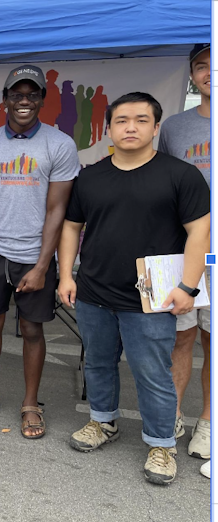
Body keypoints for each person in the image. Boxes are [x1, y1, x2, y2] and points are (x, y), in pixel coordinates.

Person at [59, 92, 210, 485]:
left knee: (152, 372)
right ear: (109, 128)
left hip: (152, 297)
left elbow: (199, 232)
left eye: (142, 120)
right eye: (122, 120)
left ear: (156, 127)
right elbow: (72, 227)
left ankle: (161, 444)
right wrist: (66, 276)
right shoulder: (90, 176)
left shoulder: (180, 175)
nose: (131, 127)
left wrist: (187, 287)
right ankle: (102, 422)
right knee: (98, 363)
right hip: (94, 290)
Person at [0, 65, 80, 438]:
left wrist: (45, 266)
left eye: (32, 94)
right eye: (17, 94)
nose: (24, 101)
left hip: (34, 254)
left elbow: (57, 209)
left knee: (32, 329)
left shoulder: (59, 145)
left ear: (42, 100)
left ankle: (30, 403)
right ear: (5, 100)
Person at [158, 43, 212, 477]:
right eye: (201, 67)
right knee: (182, 337)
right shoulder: (175, 127)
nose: (210, 72)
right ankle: (172, 415)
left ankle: (208, 423)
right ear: (192, 75)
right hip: (183, 251)